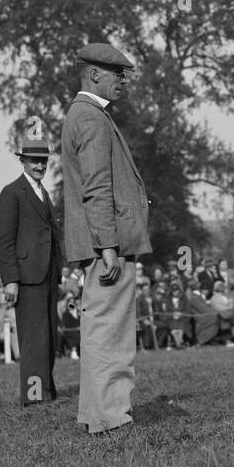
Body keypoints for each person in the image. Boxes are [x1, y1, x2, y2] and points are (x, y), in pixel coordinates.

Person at [61, 43, 152, 434]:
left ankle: (96, 414)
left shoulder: (83, 115)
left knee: (101, 328)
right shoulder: (92, 118)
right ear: (94, 74)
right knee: (110, 332)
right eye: (117, 74)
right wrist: (110, 246)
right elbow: (97, 188)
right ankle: (110, 416)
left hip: (101, 242)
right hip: (108, 245)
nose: (123, 81)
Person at [0, 138, 64, 405]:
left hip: (47, 274)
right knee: (34, 338)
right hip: (27, 276)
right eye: (34, 160)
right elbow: (4, 240)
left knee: (48, 336)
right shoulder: (12, 192)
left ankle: (47, 392)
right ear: (22, 161)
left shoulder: (42, 192)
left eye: (44, 161)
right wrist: (10, 279)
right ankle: (34, 397)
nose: (40, 165)